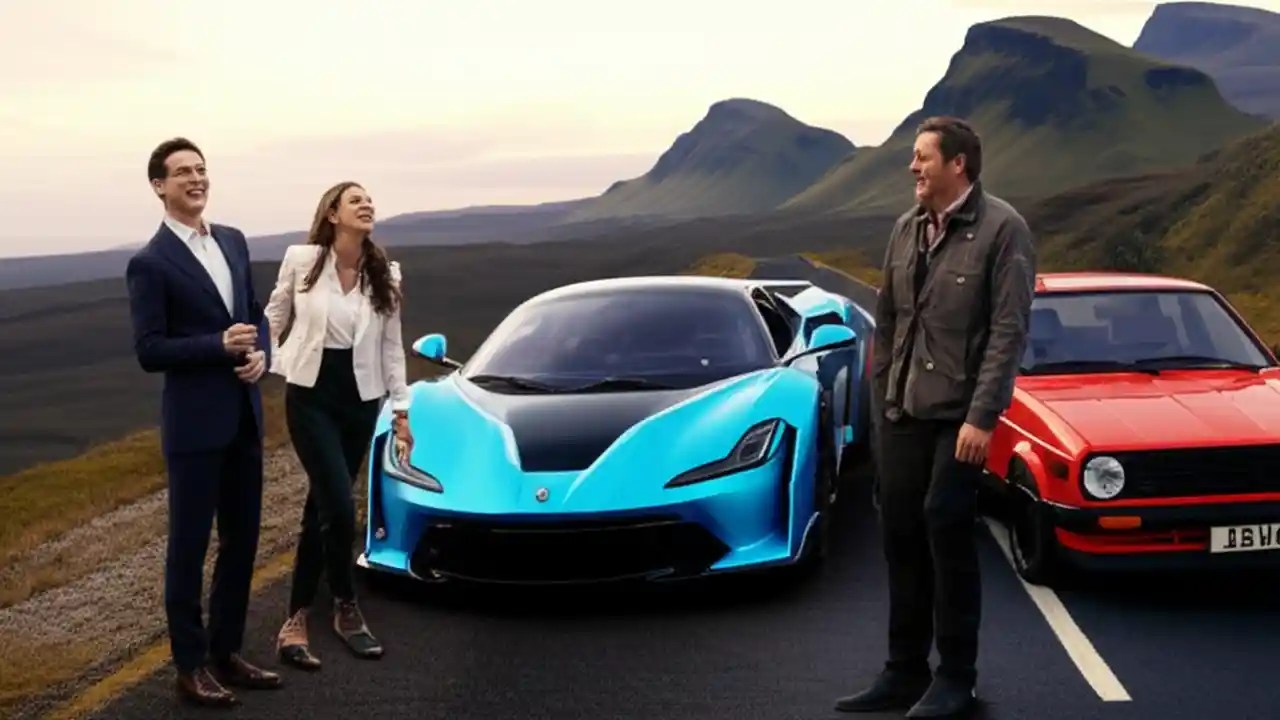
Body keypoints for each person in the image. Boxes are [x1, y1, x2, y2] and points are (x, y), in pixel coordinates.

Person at [835, 117, 1035, 718]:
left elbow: (1008, 331)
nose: (913, 168)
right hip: (902, 411)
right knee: (899, 535)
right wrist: (882, 398)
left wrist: (983, 417)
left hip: (959, 417)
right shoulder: (905, 228)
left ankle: (957, 679)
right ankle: (903, 671)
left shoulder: (1005, 230)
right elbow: (890, 319)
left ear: (959, 166)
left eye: (923, 158)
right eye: (914, 158)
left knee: (945, 528)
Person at [125, 137, 283, 708]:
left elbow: (256, 313)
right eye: (182, 172)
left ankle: (227, 652)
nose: (196, 179)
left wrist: (260, 352)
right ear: (159, 186)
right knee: (189, 548)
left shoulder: (234, 242)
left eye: (201, 169)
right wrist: (216, 345)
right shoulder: (149, 263)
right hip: (194, 426)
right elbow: (150, 349)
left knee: (242, 542)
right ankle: (189, 667)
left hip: (243, 415)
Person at [264, 180, 415, 669]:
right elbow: (274, 315)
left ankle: (296, 618)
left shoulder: (384, 273)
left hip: (359, 401)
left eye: (371, 199)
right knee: (339, 505)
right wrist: (256, 362)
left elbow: (391, 346)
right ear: (332, 213)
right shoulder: (301, 261)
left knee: (321, 509)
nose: (367, 204)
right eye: (356, 200)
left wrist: (401, 410)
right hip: (310, 394)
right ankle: (346, 607)